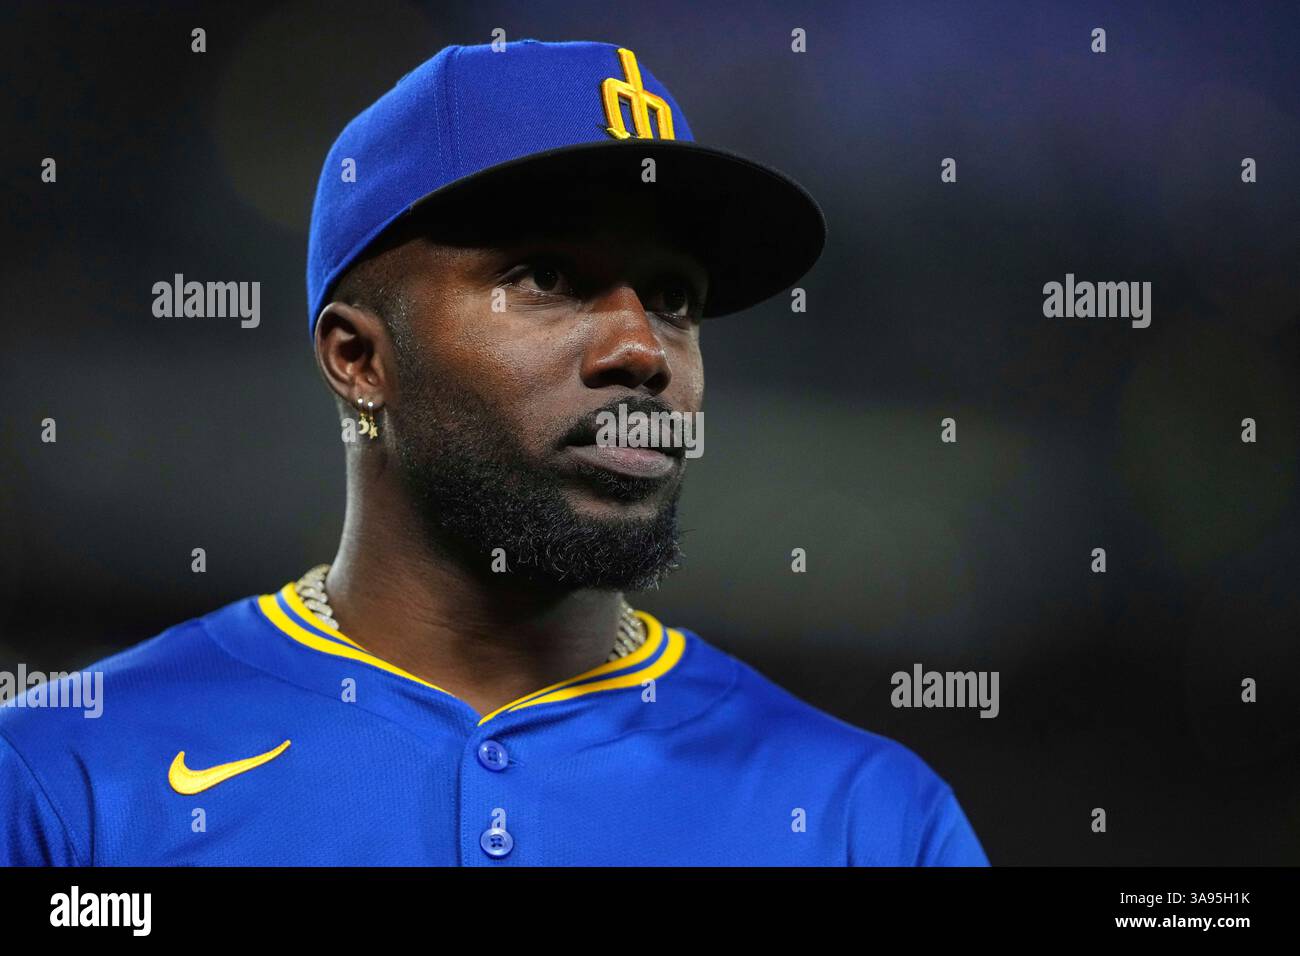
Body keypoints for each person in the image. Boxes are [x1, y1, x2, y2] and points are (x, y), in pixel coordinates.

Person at [0, 39, 988, 865]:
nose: (641, 349)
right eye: (548, 276)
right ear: (359, 357)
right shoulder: (71, 778)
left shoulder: (870, 820)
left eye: (674, 297)